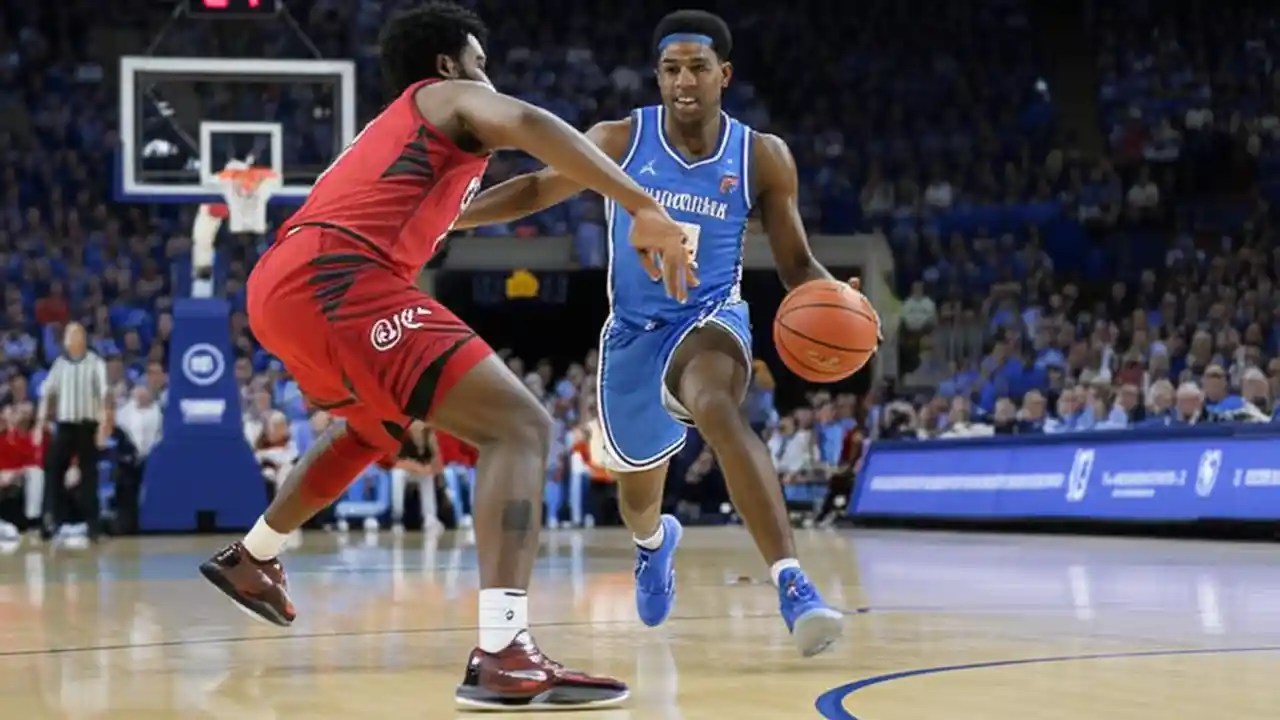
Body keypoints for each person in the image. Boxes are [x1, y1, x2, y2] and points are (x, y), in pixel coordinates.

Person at [197, 2, 693, 711]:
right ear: (448, 65)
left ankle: (255, 555)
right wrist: (643, 203)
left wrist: (595, 172)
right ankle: (503, 652)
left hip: (284, 285)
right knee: (522, 427)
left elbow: (523, 188)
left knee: (374, 428)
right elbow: (527, 124)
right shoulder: (441, 97)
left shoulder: (406, 148)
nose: (487, 78)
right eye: (481, 65)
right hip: (339, 277)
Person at [458, 9, 873, 656]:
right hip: (633, 336)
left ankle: (793, 585)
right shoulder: (621, 139)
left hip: (709, 318)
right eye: (672, 69)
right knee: (638, 501)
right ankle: (654, 546)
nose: (685, 80)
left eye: (699, 68)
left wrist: (838, 298)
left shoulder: (761, 156)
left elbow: (795, 265)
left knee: (716, 406)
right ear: (657, 76)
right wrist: (451, 219)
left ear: (724, 75)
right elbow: (539, 186)